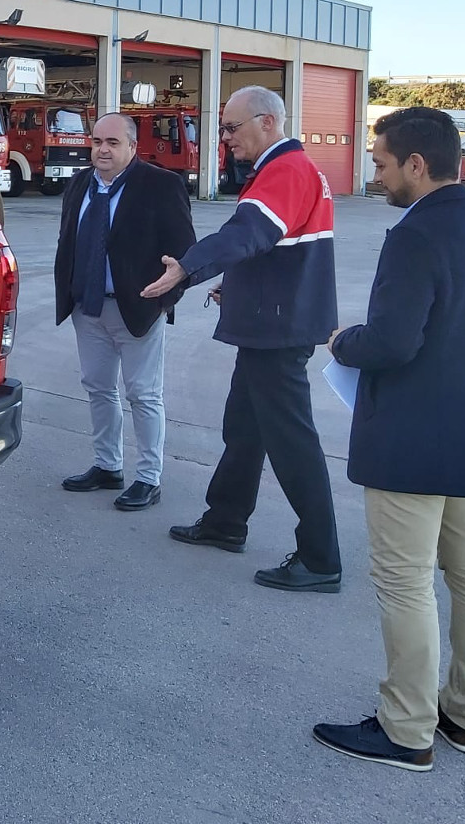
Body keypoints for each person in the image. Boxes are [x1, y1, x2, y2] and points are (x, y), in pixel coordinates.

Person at [312, 107, 465, 772]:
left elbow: (392, 342)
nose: (375, 175)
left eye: (380, 164)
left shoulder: (415, 237)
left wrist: (343, 341)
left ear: (417, 164)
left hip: (412, 444)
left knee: (405, 584)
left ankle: (406, 728)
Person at [141, 86, 342, 591]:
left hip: (278, 329)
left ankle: (320, 558)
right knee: (245, 429)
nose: (226, 138)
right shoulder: (288, 169)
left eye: (232, 128)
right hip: (271, 323)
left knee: (292, 442)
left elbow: (247, 233)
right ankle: (225, 521)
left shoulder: (285, 170)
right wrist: (235, 286)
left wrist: (187, 267)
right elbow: (274, 248)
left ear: (267, 122)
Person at [54, 113, 197, 510]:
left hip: (137, 310)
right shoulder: (79, 184)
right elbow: (68, 240)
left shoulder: (161, 185)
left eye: (113, 142)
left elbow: (185, 254)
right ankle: (107, 466)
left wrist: (163, 302)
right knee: (98, 388)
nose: (102, 149)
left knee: (143, 394)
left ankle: (148, 477)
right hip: (88, 307)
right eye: (97, 141)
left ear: (133, 146)